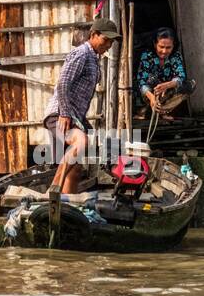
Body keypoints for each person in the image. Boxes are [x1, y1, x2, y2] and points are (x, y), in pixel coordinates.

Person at [42, 17, 120, 194]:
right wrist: (64, 113)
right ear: (93, 35)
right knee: (81, 141)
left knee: (75, 170)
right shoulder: (82, 53)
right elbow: (63, 84)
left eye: (111, 42)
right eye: (105, 40)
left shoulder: (94, 58)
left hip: (73, 116)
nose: (108, 45)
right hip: (59, 115)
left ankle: (67, 205)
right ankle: (52, 192)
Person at [137, 28, 195, 120]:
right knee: (151, 79)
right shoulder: (147, 55)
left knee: (190, 85)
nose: (164, 51)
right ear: (155, 44)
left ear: (173, 45)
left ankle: (162, 110)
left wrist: (168, 85)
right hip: (150, 93)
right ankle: (146, 108)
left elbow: (181, 76)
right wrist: (151, 97)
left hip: (166, 94)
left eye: (168, 47)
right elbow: (141, 81)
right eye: (161, 47)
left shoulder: (176, 56)